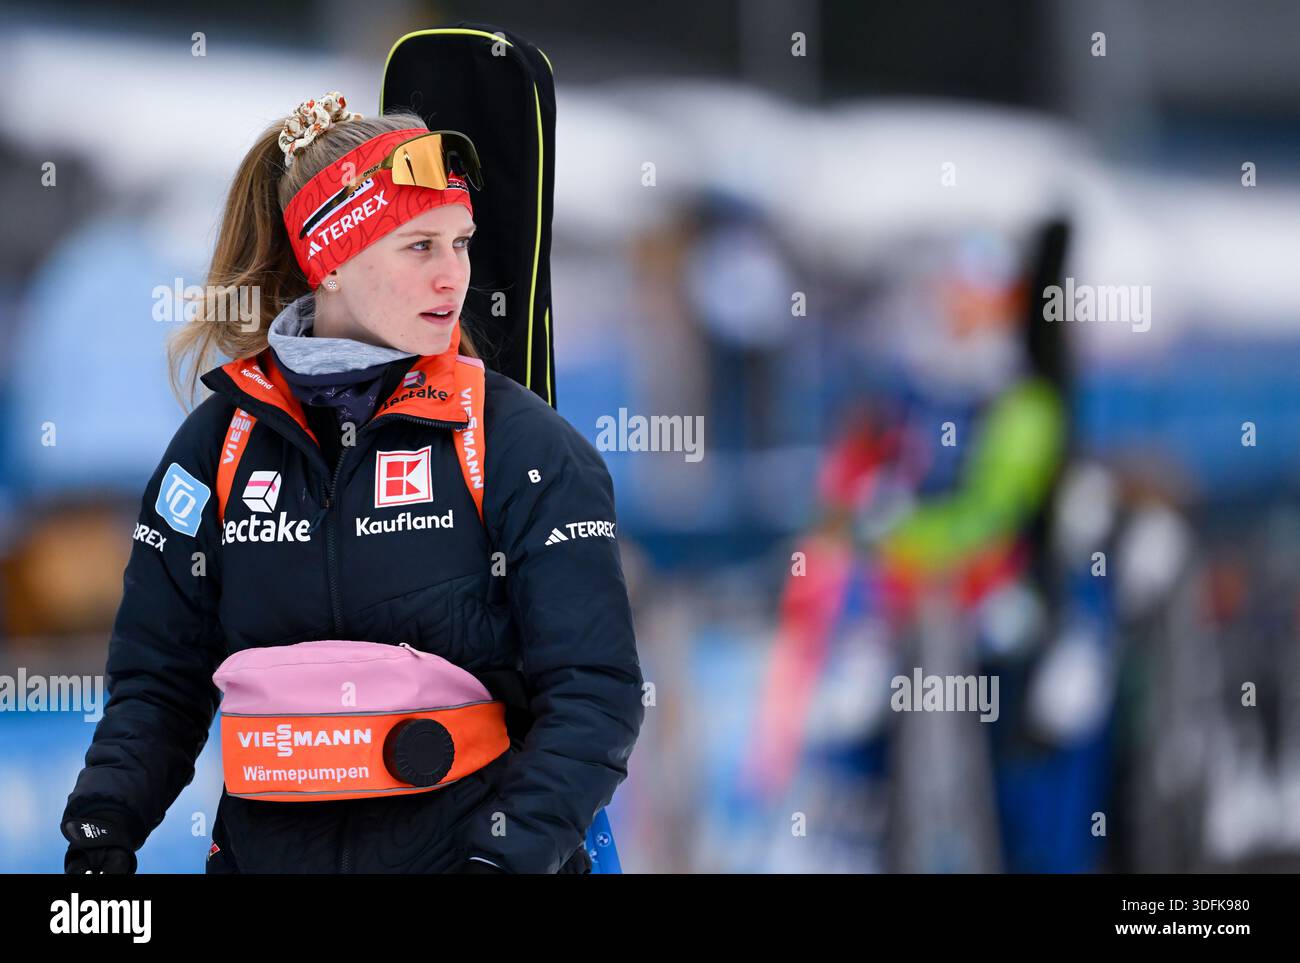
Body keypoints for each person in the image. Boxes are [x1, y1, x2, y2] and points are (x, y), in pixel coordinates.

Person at [59, 92, 645, 874]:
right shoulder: (219, 444)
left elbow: (595, 695)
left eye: (462, 242)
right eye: (419, 246)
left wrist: (502, 858)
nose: (454, 275)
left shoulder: (518, 443)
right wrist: (103, 830)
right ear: (326, 259)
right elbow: (160, 684)